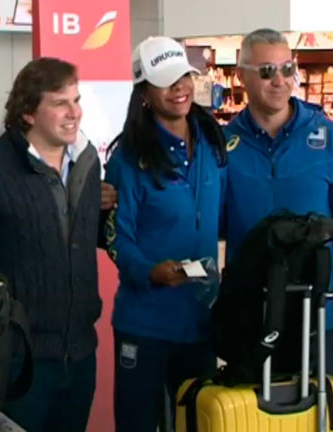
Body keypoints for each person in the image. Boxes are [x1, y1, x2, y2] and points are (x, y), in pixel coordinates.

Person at [222, 28, 333, 375]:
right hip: (251, 317)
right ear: (240, 76)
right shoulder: (223, 146)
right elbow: (197, 221)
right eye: (265, 71)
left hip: (320, 319)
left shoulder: (329, 138)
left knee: (319, 418)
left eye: (287, 68)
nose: (279, 80)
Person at [104, 36, 227, 432]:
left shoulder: (212, 143)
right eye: (166, 80)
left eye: (184, 77)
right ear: (143, 92)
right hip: (146, 324)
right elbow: (117, 239)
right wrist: (151, 271)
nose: (179, 88)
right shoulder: (128, 159)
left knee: (198, 422)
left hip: (200, 321)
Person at [0, 57, 102, 432]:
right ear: (28, 113)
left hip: (79, 353)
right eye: (60, 103)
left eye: (76, 100)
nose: (74, 113)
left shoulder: (87, 163)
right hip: (18, 360)